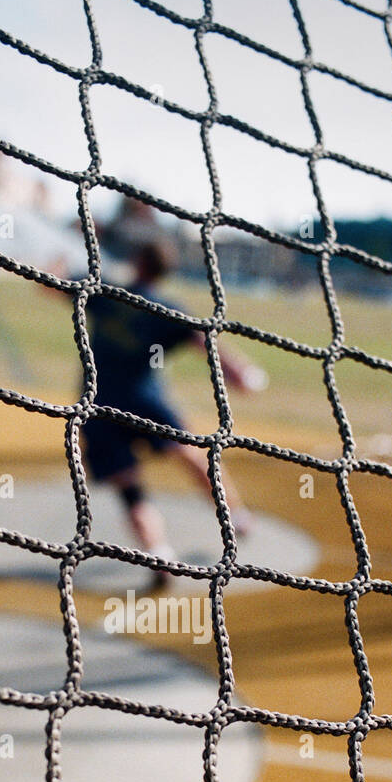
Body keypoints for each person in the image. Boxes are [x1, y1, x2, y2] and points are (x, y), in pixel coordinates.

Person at [80, 237, 265, 584]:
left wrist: (57, 268)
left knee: (130, 487)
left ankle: (160, 553)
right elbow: (203, 341)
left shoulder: (109, 295)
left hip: (98, 405)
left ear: (136, 260)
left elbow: (56, 287)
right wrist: (240, 373)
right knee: (193, 456)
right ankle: (236, 516)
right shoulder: (164, 308)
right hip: (145, 401)